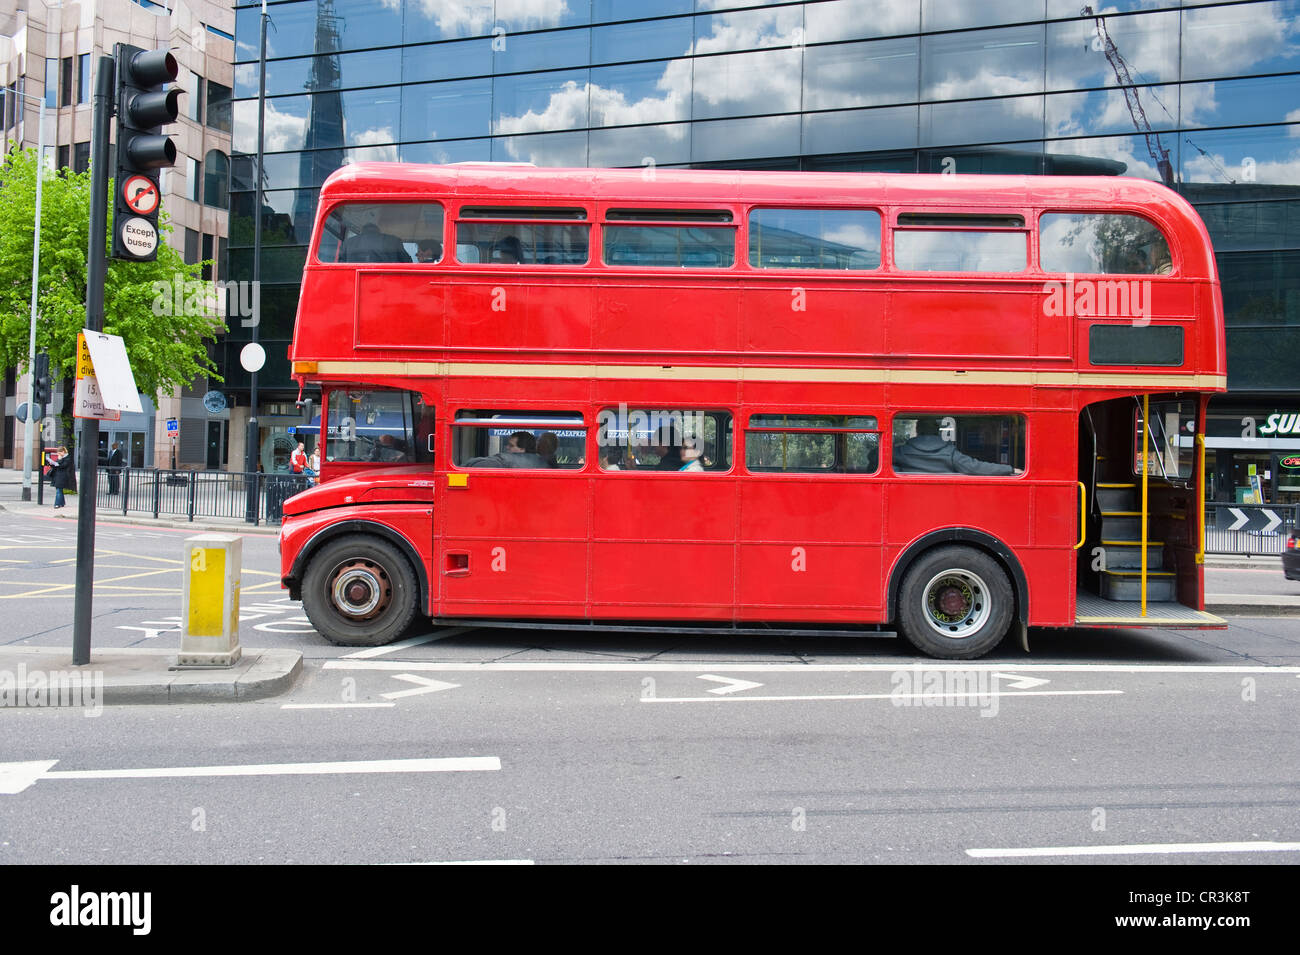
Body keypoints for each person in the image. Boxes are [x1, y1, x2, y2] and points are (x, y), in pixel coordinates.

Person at [893, 419, 1020, 475]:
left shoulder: (901, 452)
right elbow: (976, 467)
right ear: (938, 431)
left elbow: (876, 456)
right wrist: (1009, 469)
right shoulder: (950, 453)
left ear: (918, 429)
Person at [465, 430, 546, 468]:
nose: (507, 447)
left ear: (522, 449)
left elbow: (480, 465)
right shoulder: (542, 462)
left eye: (511, 445)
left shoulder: (505, 460)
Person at [341, 223, 411, 263]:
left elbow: (340, 264)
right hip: (388, 281)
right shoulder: (393, 241)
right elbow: (407, 262)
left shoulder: (348, 243)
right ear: (378, 231)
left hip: (353, 282)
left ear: (362, 231)